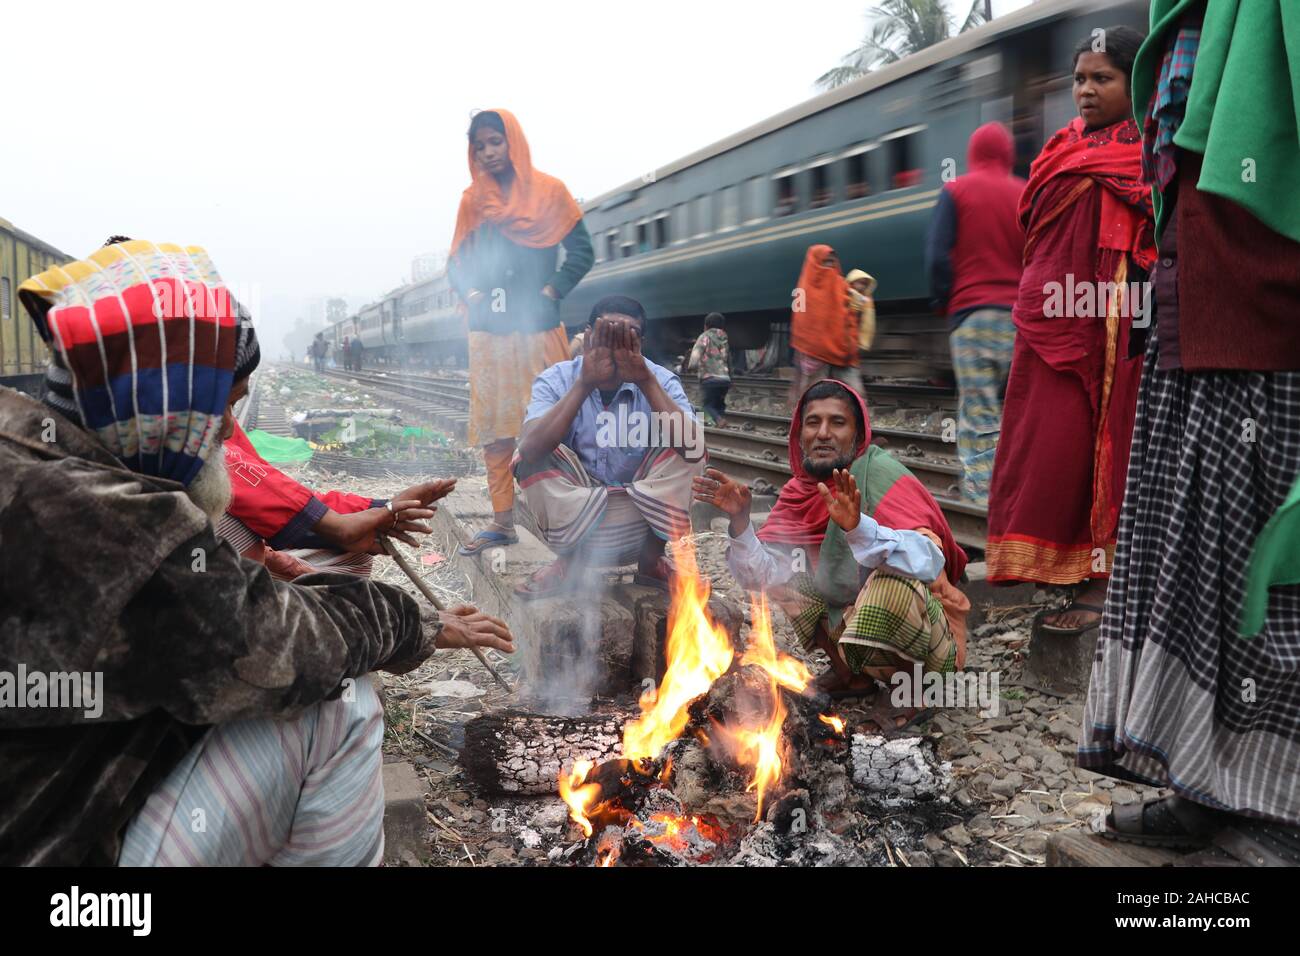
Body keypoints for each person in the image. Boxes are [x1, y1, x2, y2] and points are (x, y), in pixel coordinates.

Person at [3, 239, 513, 866]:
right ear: (159, 400)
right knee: (340, 704)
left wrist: (264, 571)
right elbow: (289, 648)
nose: (223, 429)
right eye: (221, 404)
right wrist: (417, 623)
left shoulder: (32, 450)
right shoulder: (109, 521)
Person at [1081, 3, 1300, 861]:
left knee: (1271, 590)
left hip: (1272, 333)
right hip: (1196, 326)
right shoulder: (1186, 15)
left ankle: (1279, 810)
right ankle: (1204, 785)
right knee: (1202, 575)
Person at [984, 27, 1155, 637]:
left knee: (1110, 442)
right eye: (1080, 78)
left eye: (1101, 79)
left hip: (1117, 325)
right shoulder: (1061, 146)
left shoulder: (1150, 149)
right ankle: (1065, 570)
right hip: (1049, 320)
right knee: (1050, 443)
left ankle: (1108, 579)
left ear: (1134, 83)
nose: (1085, 89)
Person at [695, 380, 970, 730]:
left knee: (891, 583)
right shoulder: (799, 493)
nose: (823, 433)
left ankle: (911, 689)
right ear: (800, 434)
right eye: (813, 422)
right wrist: (740, 523)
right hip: (857, 615)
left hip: (932, 636)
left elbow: (930, 561)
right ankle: (853, 676)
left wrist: (858, 529)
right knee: (788, 577)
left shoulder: (882, 474)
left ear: (858, 435)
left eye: (837, 422)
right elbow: (761, 575)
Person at [447, 108, 595, 556]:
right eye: (480, 146)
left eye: (496, 141)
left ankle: (571, 523)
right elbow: (456, 261)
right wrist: (471, 294)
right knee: (496, 431)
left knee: (555, 424)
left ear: (514, 142)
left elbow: (583, 251)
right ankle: (502, 521)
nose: (489, 153)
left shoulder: (550, 192)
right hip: (490, 334)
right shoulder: (473, 200)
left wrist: (552, 289)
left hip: (539, 327)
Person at [514, 295, 705, 598]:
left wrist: (645, 380)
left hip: (641, 517)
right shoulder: (557, 379)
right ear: (587, 336)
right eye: (607, 334)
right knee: (526, 454)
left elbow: (694, 449)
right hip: (576, 515)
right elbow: (531, 450)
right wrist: (584, 383)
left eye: (627, 337)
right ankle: (568, 564)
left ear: (641, 342)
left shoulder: (660, 379)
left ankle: (651, 561)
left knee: (692, 446)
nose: (616, 346)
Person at [925, 122, 1026, 505]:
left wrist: (942, 301)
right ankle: (1021, 496)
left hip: (972, 318)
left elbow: (936, 255)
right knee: (1017, 414)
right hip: (1021, 322)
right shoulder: (1024, 192)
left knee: (980, 413)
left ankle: (986, 500)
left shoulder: (956, 190)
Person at [789, 244, 860, 405]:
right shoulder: (802, 292)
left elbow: (851, 316)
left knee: (852, 396)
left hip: (842, 351)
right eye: (824, 262)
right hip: (814, 354)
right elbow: (800, 323)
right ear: (814, 263)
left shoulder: (842, 286)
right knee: (815, 395)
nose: (829, 266)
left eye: (831, 262)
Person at [686, 312, 731, 426]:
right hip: (725, 379)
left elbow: (696, 354)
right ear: (722, 327)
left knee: (706, 404)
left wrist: (691, 367)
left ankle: (710, 423)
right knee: (719, 404)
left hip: (709, 378)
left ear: (706, 326)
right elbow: (728, 359)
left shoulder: (704, 336)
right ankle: (718, 423)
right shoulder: (724, 338)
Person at [845, 269, 877, 354]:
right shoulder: (845, 292)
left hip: (855, 327)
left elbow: (868, 322)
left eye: (865, 284)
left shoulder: (866, 299)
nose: (862, 286)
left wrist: (864, 342)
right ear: (852, 281)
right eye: (860, 282)